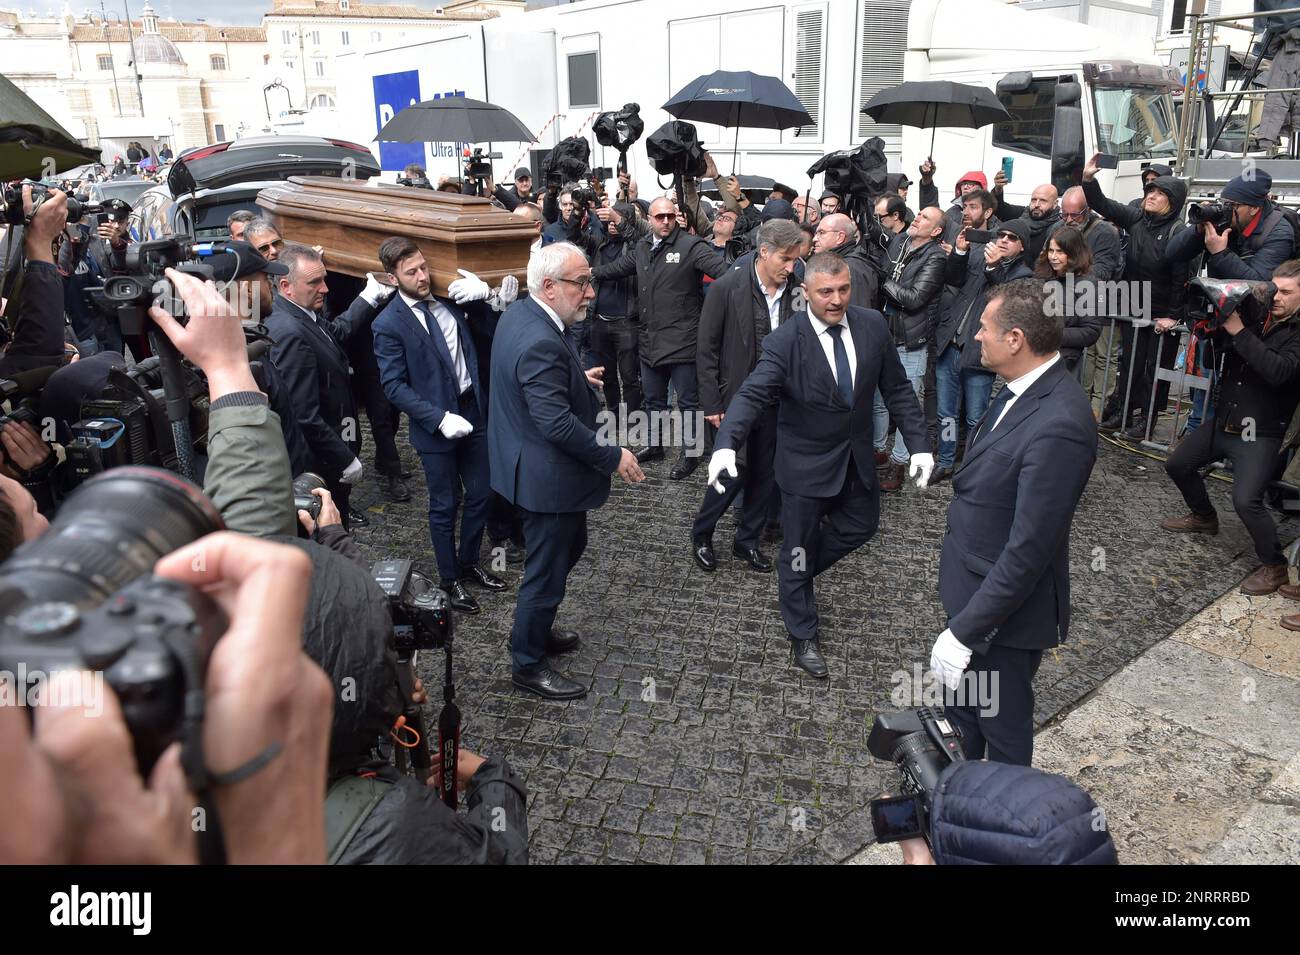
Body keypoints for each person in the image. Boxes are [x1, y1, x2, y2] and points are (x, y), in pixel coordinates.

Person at [707, 253, 932, 679]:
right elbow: (752, 395)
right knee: (797, 547)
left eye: (843, 289)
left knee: (861, 527)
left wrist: (919, 444)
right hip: (805, 467)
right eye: (825, 292)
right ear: (805, 292)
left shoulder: (871, 326)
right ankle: (802, 631)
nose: (836, 300)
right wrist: (725, 445)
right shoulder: (784, 342)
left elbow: (898, 390)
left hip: (856, 461)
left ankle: (795, 570)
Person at [930, 279, 1097, 766]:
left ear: (1016, 339)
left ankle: (999, 834)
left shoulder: (1060, 424)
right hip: (974, 602)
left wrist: (966, 632)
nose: (975, 336)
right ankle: (959, 819)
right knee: (962, 730)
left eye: (983, 328)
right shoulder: (1019, 391)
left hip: (1002, 624)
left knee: (1001, 743)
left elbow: (1029, 548)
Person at [488, 242, 645, 699]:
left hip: (531, 469)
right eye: (582, 283)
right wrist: (614, 456)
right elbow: (555, 423)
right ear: (550, 286)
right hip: (546, 481)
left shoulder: (523, 312)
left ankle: (535, 626)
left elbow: (539, 380)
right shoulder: (539, 338)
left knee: (569, 548)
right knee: (546, 571)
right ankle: (528, 662)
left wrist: (578, 377)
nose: (591, 293)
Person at [372, 237, 507, 615]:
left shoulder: (449, 300)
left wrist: (489, 298)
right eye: (410, 272)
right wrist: (438, 418)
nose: (421, 276)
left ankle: (469, 562)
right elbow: (393, 385)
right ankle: (450, 579)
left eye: (423, 267)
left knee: (483, 494)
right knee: (445, 504)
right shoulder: (388, 324)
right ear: (392, 277)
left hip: (474, 410)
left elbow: (491, 334)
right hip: (435, 425)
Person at [1160, 259, 1300, 596]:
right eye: (1274, 288)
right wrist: (1214, 332)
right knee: (1178, 464)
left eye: (1286, 291)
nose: (1275, 296)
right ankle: (1204, 516)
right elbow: (1216, 363)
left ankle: (1275, 566)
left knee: (1246, 501)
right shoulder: (1256, 317)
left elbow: (1279, 371)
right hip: (1225, 420)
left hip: (1260, 431)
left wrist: (1239, 331)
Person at [692, 220, 803, 575]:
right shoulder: (726, 288)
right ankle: (702, 534)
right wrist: (712, 404)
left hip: (778, 402)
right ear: (764, 252)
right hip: (734, 402)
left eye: (795, 260)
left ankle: (747, 540)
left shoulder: (797, 290)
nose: (791, 267)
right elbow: (706, 350)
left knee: (765, 474)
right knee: (730, 473)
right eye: (785, 260)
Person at [592, 196, 726, 478]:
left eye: (669, 216)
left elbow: (723, 274)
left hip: (683, 342)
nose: (665, 221)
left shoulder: (691, 246)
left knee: (688, 403)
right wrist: (590, 272)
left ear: (675, 216)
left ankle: (691, 454)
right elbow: (619, 268)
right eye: (659, 217)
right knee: (653, 401)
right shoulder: (642, 247)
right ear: (650, 219)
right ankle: (655, 445)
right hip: (650, 341)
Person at [265, 244, 384, 528]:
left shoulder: (303, 314)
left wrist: (368, 298)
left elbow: (335, 332)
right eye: (314, 282)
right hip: (319, 461)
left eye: (324, 278)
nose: (326, 288)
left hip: (337, 435)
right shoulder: (291, 332)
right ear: (286, 286)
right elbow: (303, 415)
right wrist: (344, 459)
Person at [1083, 156, 1190, 438]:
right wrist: (1088, 180)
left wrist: (1173, 315)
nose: (1152, 196)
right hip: (1134, 304)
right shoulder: (1136, 219)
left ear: (1173, 201)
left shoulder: (1179, 232)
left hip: (1162, 311)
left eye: (1159, 194)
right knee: (1130, 363)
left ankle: (1149, 419)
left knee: (1154, 369)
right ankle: (1124, 412)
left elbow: (1182, 278)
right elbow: (1103, 205)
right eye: (1150, 192)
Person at [932, 219, 1036, 484]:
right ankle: (945, 460)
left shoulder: (1023, 275)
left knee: (976, 417)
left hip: (980, 353)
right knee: (946, 414)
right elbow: (953, 279)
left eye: (1011, 238)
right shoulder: (980, 257)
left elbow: (1002, 302)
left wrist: (993, 267)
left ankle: (971, 464)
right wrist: (960, 251)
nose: (1003, 240)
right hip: (951, 346)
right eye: (1001, 235)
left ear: (1022, 246)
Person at [875, 206, 947, 491]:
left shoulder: (936, 257)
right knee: (878, 400)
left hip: (911, 340)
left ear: (937, 231)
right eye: (918, 215)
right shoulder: (901, 242)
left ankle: (899, 462)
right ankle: (877, 452)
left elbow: (915, 298)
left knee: (906, 405)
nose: (917, 218)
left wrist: (882, 280)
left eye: (925, 218)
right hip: (884, 335)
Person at [1166, 170, 1296, 283]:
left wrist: (1221, 253)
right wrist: (1197, 231)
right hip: (1220, 303)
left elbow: (1259, 283)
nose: (1225, 210)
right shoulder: (1225, 221)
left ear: (1254, 208)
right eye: (1223, 203)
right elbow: (1172, 254)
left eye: (1231, 205)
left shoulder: (1278, 232)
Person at [587, 202, 643, 423]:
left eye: (617, 218)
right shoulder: (599, 244)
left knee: (629, 375)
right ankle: (613, 414)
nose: (612, 222)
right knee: (606, 373)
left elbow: (639, 245)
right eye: (609, 218)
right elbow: (575, 234)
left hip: (626, 320)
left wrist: (620, 222)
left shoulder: (636, 247)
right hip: (599, 319)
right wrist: (581, 209)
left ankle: (633, 418)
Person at [1036, 226, 1103, 375]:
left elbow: (1091, 331)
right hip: (1034, 357)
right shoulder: (1042, 278)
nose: (1053, 256)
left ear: (1074, 253)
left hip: (1063, 363)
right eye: (1051, 250)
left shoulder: (1089, 285)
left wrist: (1052, 335)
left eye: (1060, 251)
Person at [1056, 186, 1123, 282]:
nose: (1069, 220)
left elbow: (1101, 273)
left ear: (1088, 210)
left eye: (1075, 215)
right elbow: (1043, 261)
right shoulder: (1058, 227)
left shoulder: (1106, 233)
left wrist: (1066, 269)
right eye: (1065, 214)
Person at [813, 213, 878, 309]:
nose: (814, 239)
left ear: (840, 237)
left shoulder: (852, 269)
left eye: (821, 233)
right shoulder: (842, 263)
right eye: (816, 233)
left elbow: (857, 314)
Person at [992, 182, 1062, 263]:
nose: (1037, 204)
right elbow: (1001, 209)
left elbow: (1069, 266)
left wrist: (1069, 276)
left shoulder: (1058, 228)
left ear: (1055, 204)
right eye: (1034, 200)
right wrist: (998, 190)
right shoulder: (1023, 214)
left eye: (1043, 201)